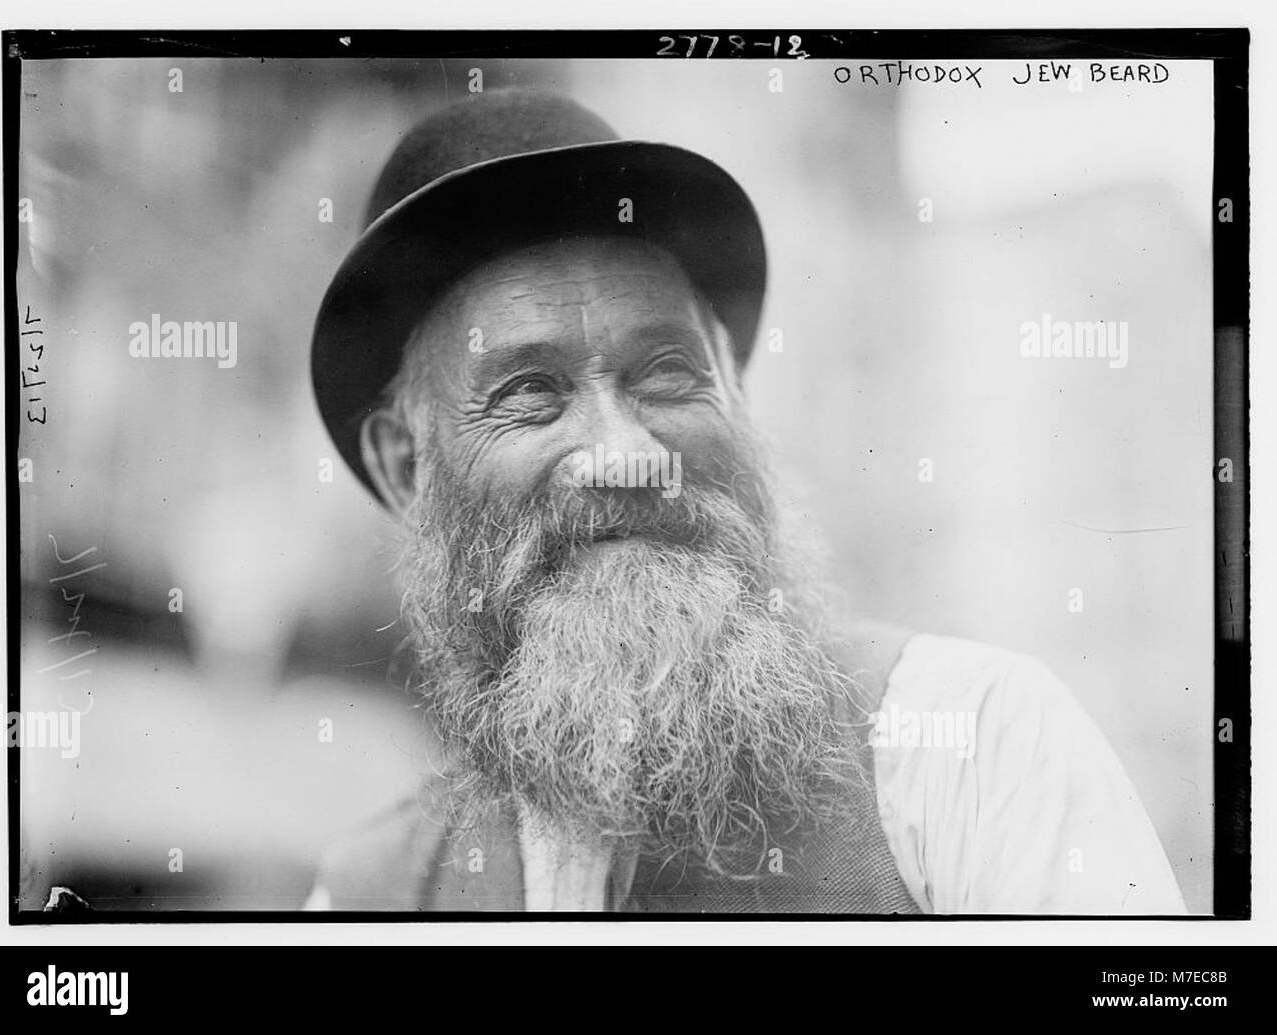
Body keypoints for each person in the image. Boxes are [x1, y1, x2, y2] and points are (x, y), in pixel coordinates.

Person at [305, 88, 1184, 913]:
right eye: (532, 392)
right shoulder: (366, 894)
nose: (626, 455)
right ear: (407, 468)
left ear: (738, 395)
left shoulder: (976, 747)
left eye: (668, 373)